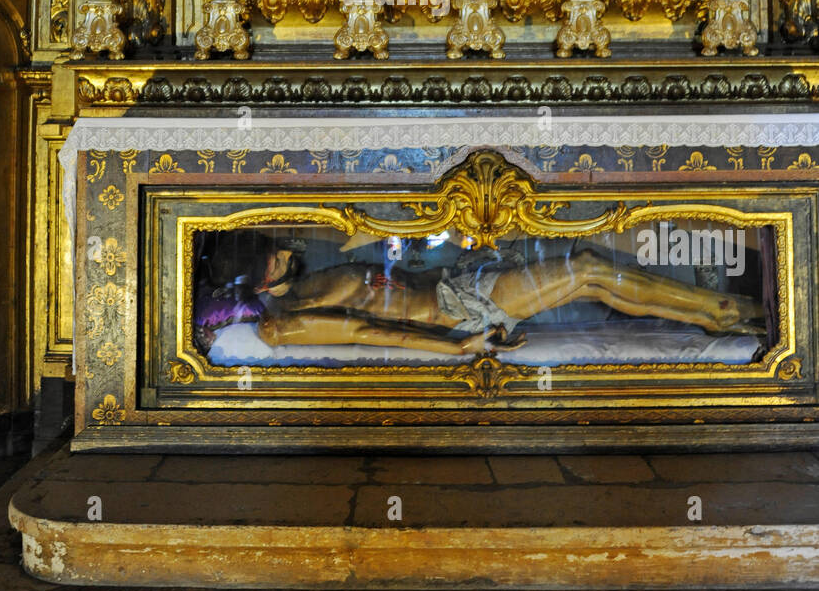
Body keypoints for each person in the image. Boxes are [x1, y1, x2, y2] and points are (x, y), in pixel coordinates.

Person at [202, 238, 764, 357]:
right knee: (589, 270)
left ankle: (716, 314)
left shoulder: (300, 284)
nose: (283, 249)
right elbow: (370, 334)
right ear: (256, 278)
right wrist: (458, 347)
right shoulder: (284, 321)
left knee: (592, 274)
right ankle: (718, 311)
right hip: (457, 303)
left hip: (462, 282)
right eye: (271, 253)